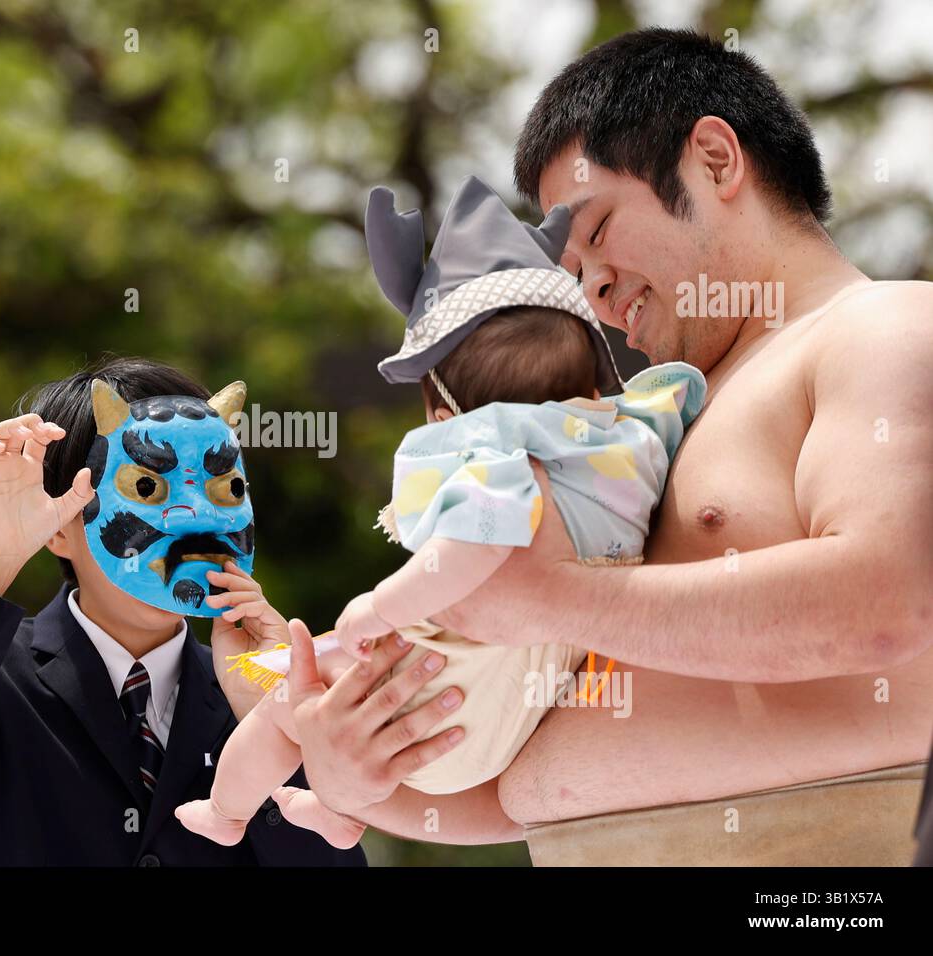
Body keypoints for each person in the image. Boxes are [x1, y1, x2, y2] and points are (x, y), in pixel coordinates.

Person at [272, 28, 933, 865]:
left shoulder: (886, 328)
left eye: (597, 231)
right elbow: (524, 757)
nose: (591, 289)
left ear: (716, 161)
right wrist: (361, 778)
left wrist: (550, 596)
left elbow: (886, 604)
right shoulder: (634, 432)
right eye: (571, 267)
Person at [175, 176, 704, 849]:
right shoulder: (626, 440)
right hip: (521, 708)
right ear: (590, 382)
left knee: (285, 709)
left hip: (448, 705)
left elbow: (474, 547)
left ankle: (228, 814)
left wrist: (384, 606)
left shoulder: (495, 452)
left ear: (443, 412)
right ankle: (338, 810)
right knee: (299, 686)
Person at [0, 356, 366, 866]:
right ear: (57, 524)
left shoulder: (252, 690)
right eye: (147, 487)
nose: (199, 518)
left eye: (226, 487)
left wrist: (271, 717)